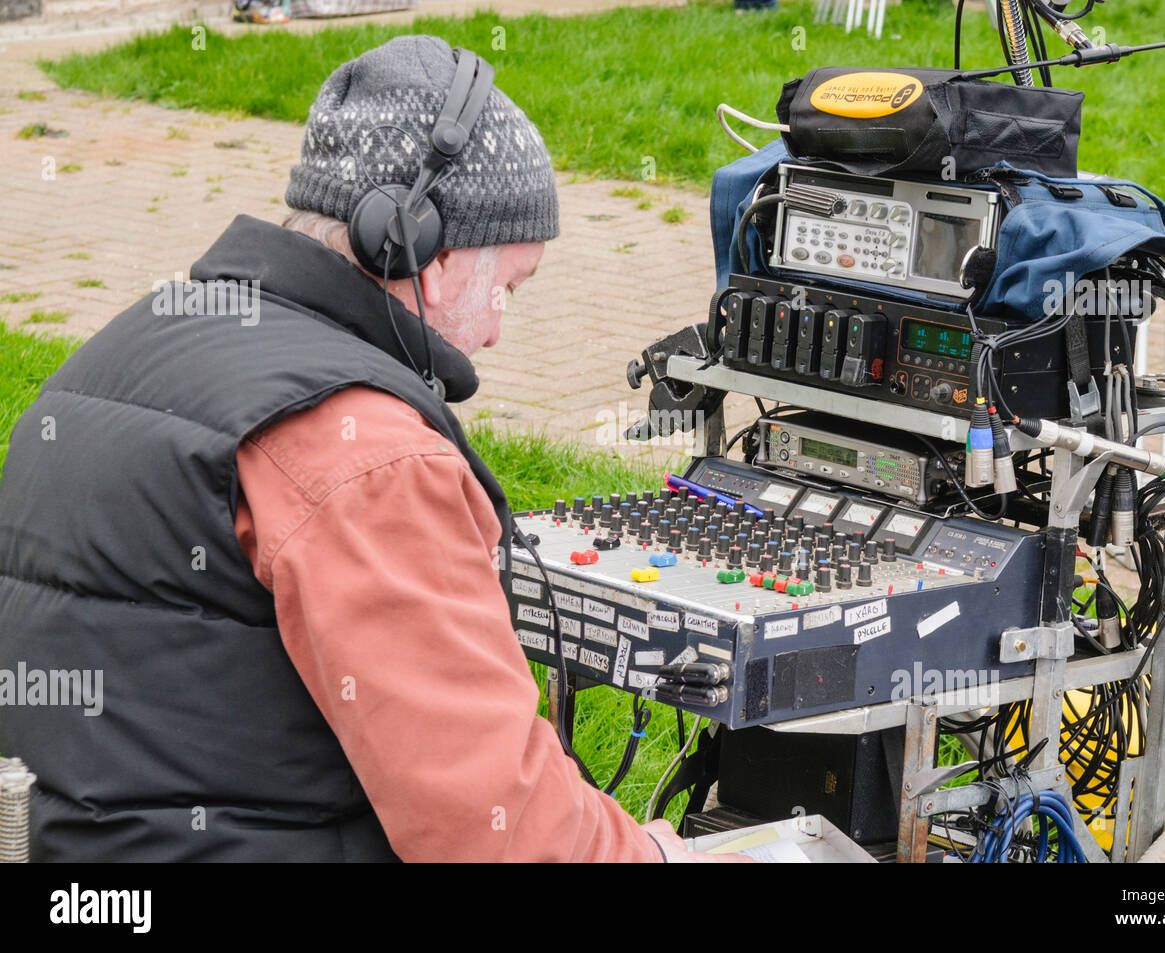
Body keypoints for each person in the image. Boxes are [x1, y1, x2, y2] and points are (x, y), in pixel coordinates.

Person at [0, 35, 739, 863]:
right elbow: (495, 826)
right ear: (422, 244)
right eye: (508, 286)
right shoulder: (365, 453)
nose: (496, 329)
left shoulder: (115, 355)